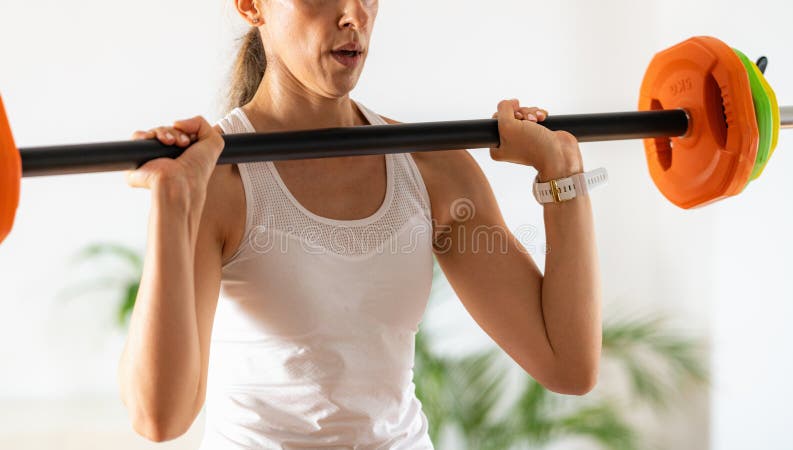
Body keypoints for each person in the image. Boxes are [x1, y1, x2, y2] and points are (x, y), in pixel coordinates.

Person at [117, 0, 602, 447]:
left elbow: (568, 365)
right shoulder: (219, 181)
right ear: (250, 6)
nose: (353, 14)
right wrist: (173, 201)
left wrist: (561, 170)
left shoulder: (433, 167)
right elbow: (159, 418)